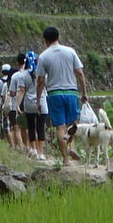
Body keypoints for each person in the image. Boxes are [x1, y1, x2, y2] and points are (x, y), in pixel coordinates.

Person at [35, 26, 90, 164]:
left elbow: (40, 80)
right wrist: (84, 92)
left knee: (60, 127)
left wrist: (38, 99)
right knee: (73, 123)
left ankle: (65, 159)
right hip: (71, 92)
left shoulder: (43, 56)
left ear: (45, 40)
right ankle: (72, 147)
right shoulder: (70, 52)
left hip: (54, 93)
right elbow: (80, 73)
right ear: (58, 37)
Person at [11, 50, 48, 158]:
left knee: (31, 127)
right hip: (41, 103)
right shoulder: (42, 74)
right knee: (40, 127)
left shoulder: (23, 75)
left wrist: (17, 105)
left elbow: (21, 91)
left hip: (29, 104)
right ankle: (41, 152)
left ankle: (33, 149)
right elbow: (47, 87)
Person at [0, 63, 13, 142]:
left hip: (4, 104)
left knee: (5, 123)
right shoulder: (12, 80)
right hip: (13, 104)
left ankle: (8, 140)